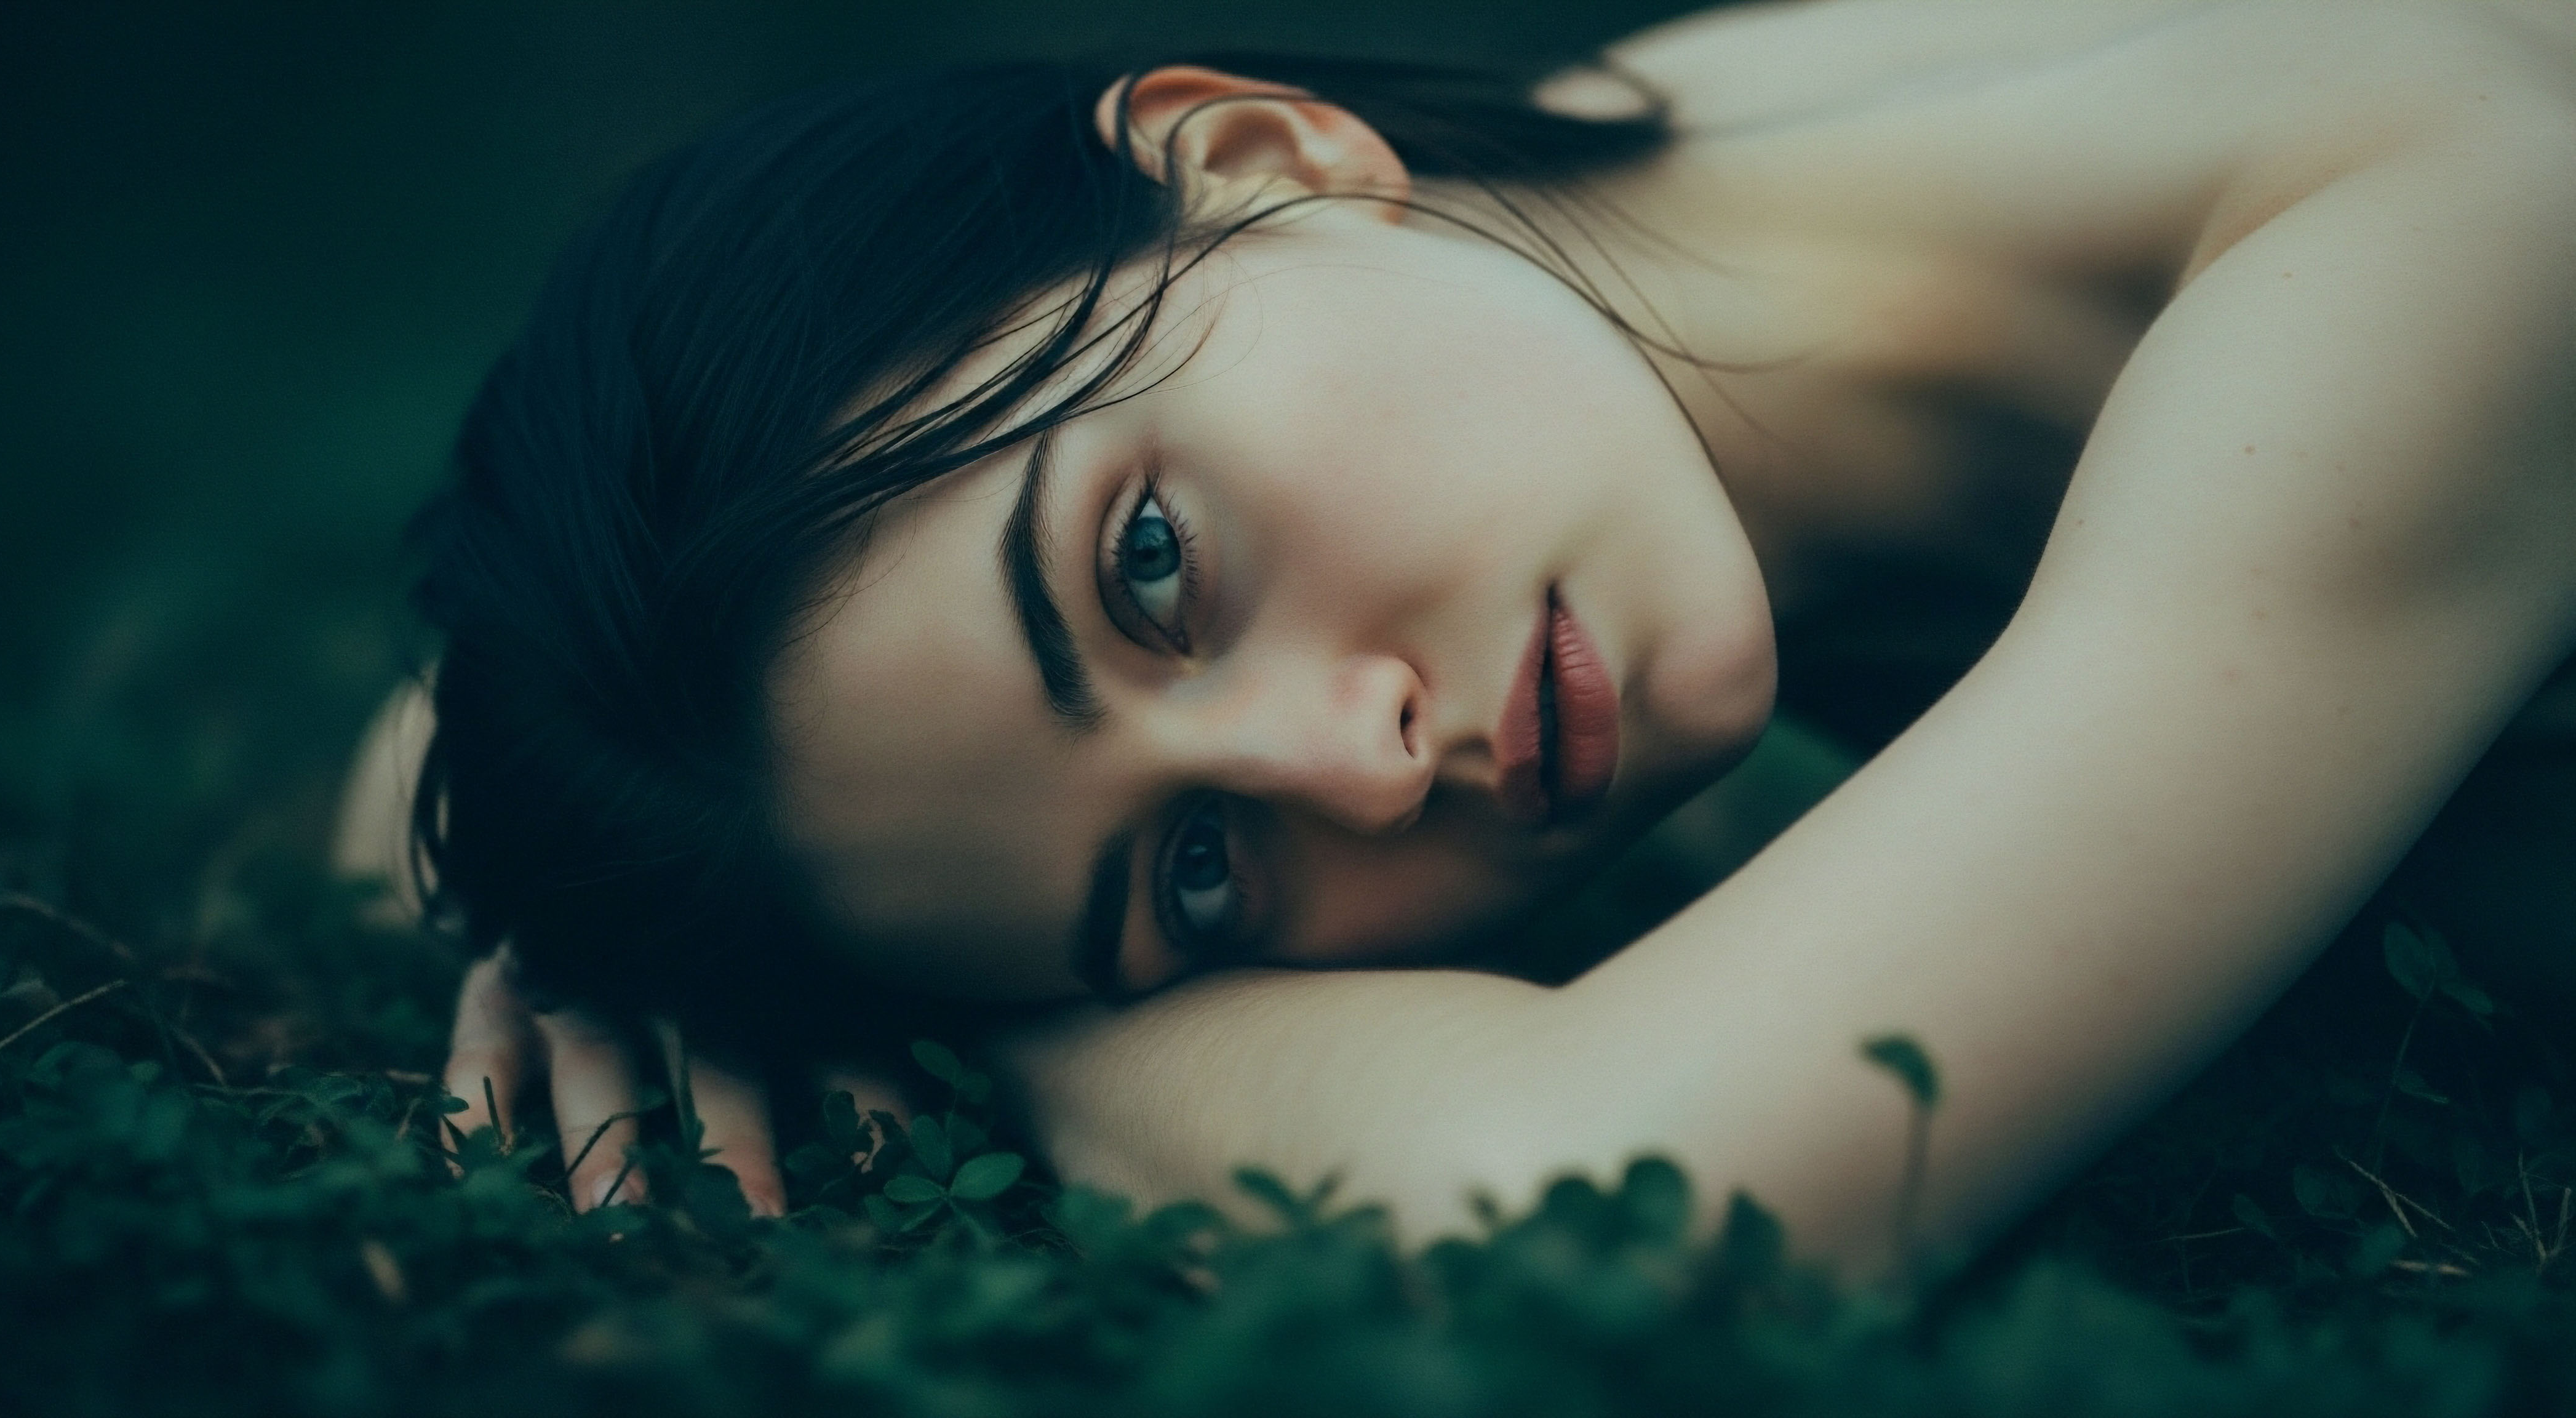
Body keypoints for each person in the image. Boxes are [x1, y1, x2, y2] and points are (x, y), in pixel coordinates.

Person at [337, 0, 2576, 1279]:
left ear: (1249, 153)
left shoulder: (2443, 227)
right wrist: (666, 897)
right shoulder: (1675, 256)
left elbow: (1627, 1220)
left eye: (1145, 572)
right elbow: (415, 760)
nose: (1356, 769)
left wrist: (1006, 1033)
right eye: (1194, 881)